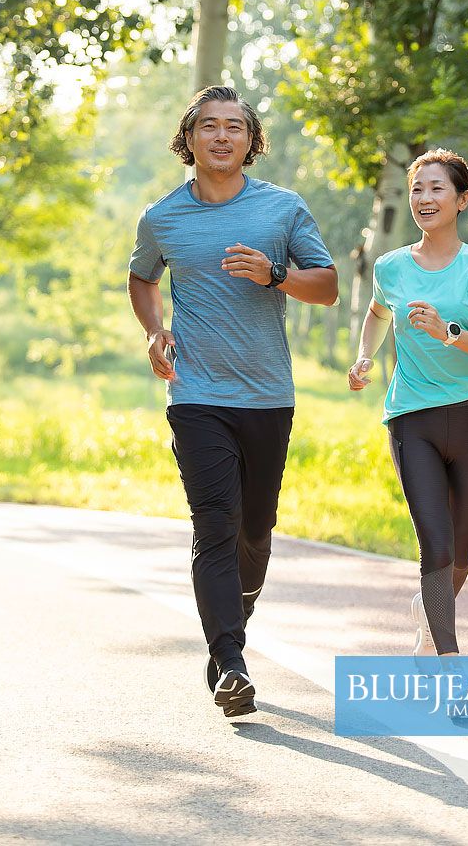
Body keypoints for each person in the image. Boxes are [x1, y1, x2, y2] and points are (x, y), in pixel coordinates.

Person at [128, 85, 338, 717]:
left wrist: (274, 275)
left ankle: (230, 626)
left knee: (254, 530)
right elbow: (142, 278)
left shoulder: (282, 210)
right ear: (187, 138)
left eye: (235, 127)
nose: (222, 137)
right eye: (209, 127)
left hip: (267, 393)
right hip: (195, 392)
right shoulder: (162, 216)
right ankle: (232, 662)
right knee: (214, 524)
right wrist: (154, 330)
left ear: (252, 140)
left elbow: (327, 287)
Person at [348, 148, 468, 657]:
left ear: (462, 200)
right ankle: (449, 663)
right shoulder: (392, 268)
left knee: (460, 556)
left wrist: (449, 332)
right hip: (411, 418)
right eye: (417, 188)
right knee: (435, 548)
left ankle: (429, 610)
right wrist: (364, 357)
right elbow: (376, 314)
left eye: (436, 188)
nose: (423, 198)